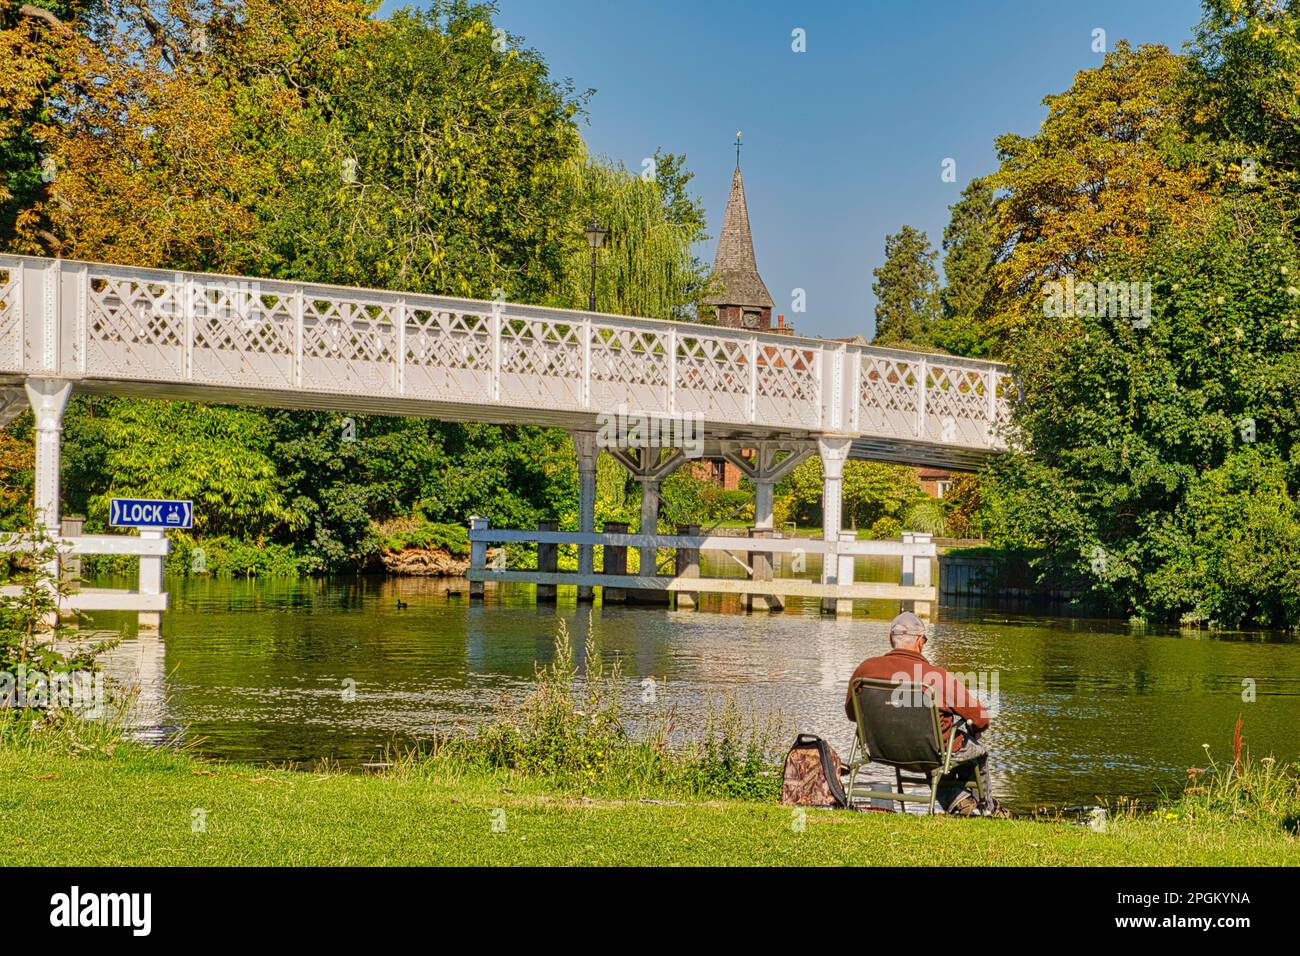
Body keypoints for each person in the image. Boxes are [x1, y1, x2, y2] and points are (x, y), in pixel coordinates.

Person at [844, 611, 1003, 816]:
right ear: (920, 641)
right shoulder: (936, 677)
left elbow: (852, 714)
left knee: (933, 741)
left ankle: (961, 801)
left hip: (879, 748)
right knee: (975, 751)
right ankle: (987, 809)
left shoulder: (865, 670)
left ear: (889, 639)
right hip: (929, 753)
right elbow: (981, 718)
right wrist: (975, 729)